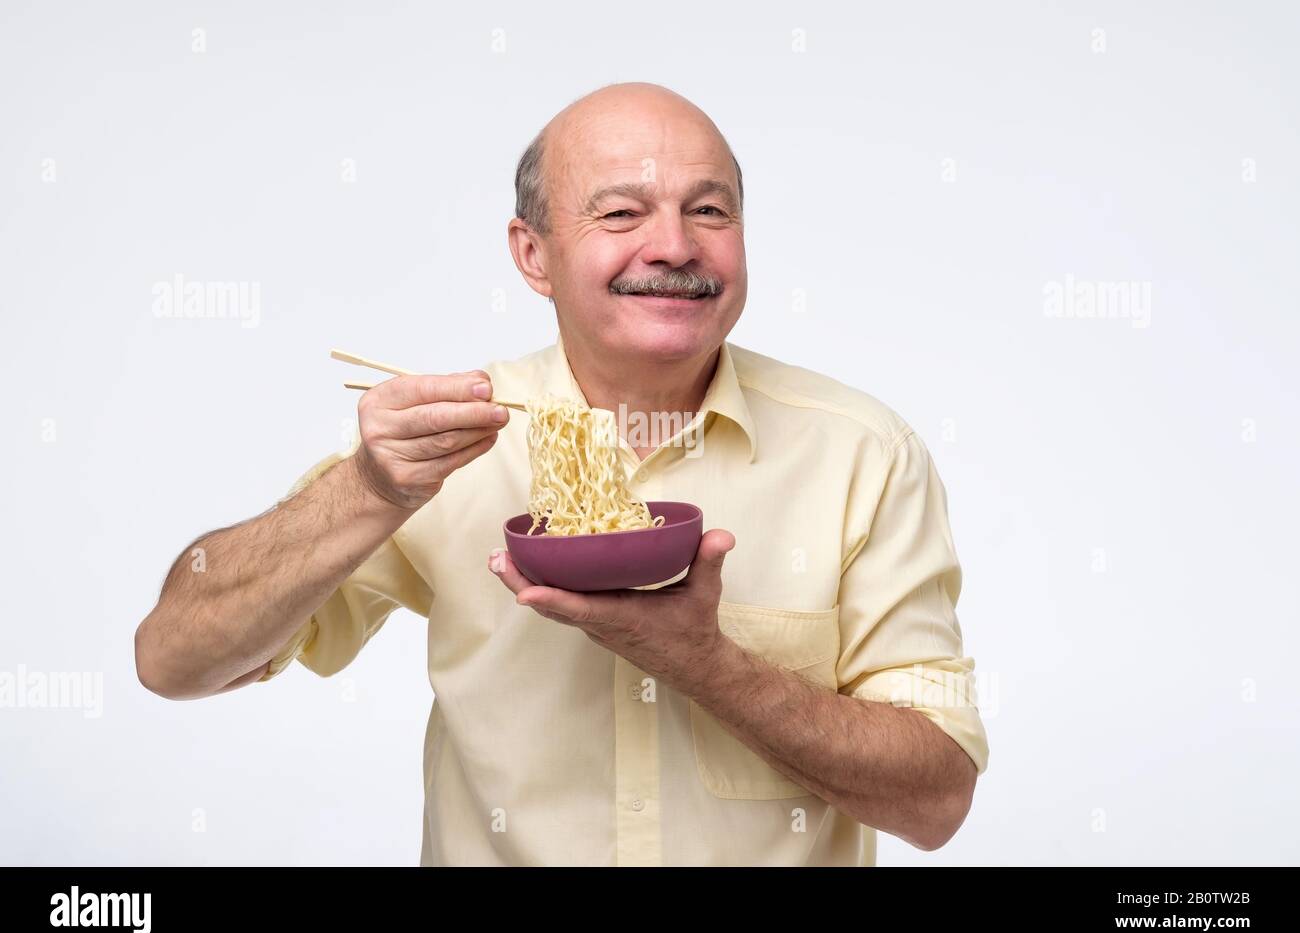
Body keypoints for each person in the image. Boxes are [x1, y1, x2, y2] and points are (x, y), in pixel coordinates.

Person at [135, 82, 990, 866]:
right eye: (621, 213)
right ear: (533, 255)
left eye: (710, 210)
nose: (673, 245)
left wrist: (704, 661)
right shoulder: (448, 440)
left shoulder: (861, 451)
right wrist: (365, 489)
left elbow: (935, 799)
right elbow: (174, 661)